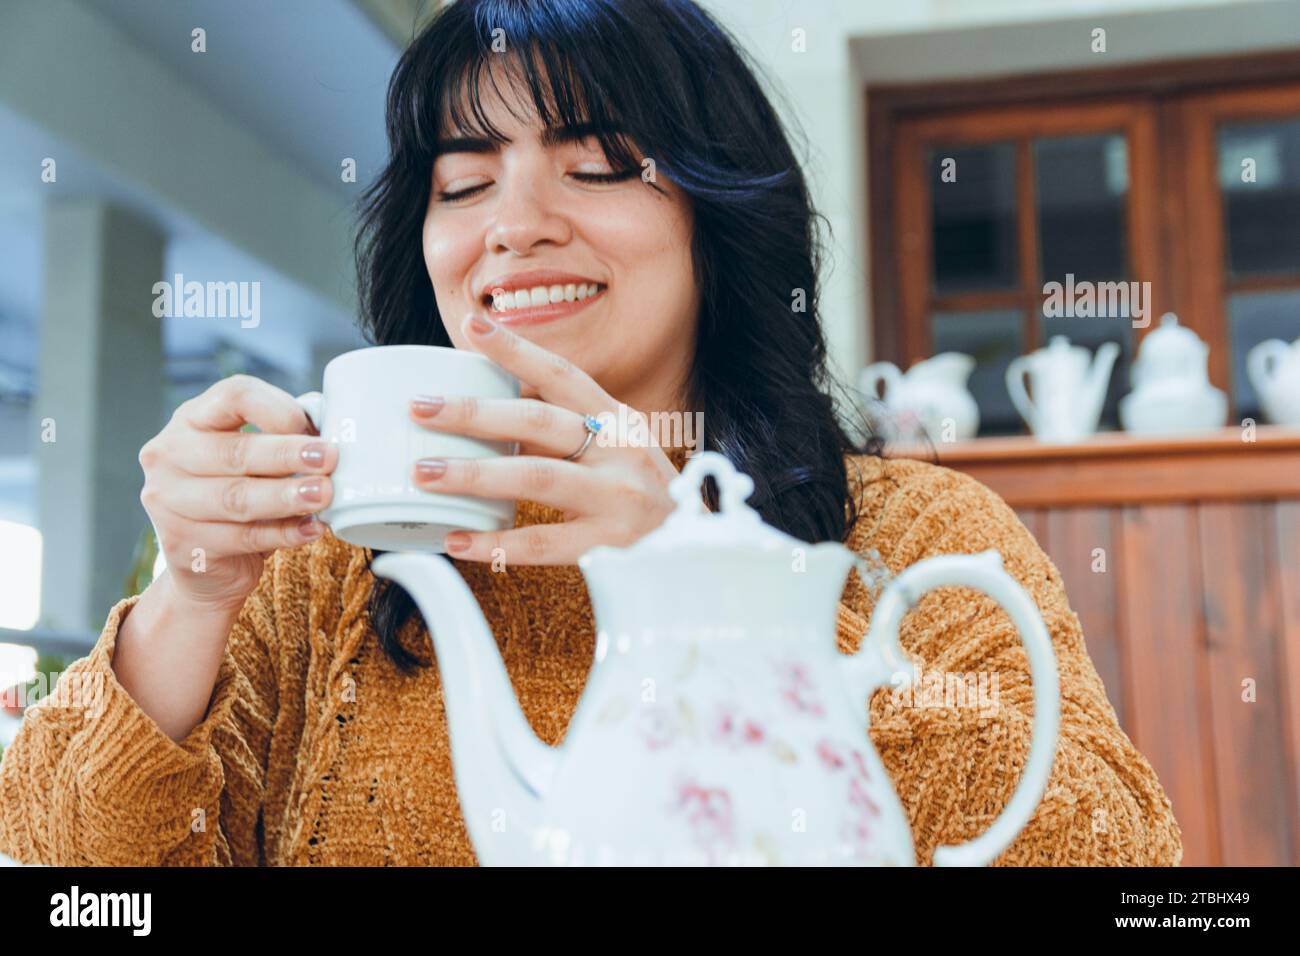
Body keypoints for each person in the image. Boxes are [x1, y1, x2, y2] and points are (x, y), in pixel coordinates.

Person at [0, 0, 1180, 866]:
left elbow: (1109, 854)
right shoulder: (322, 576)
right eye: (461, 185)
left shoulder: (912, 532)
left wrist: (699, 577)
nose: (513, 226)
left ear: (719, 213)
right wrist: (187, 601)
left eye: (599, 163)